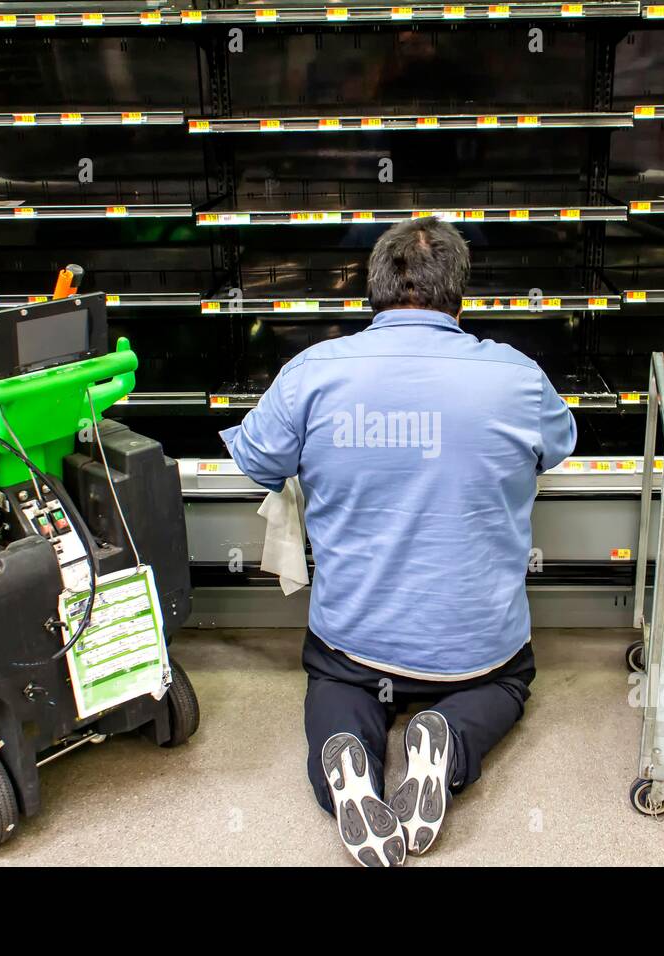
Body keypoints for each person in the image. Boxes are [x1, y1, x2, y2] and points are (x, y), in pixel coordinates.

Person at [220, 216, 577, 866]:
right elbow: (557, 448)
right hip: (480, 649)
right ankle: (447, 736)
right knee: (509, 684)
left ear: (374, 290)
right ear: (458, 294)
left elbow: (254, 460)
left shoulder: (313, 371)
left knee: (334, 683)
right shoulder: (518, 376)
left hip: (354, 640)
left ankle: (351, 761)